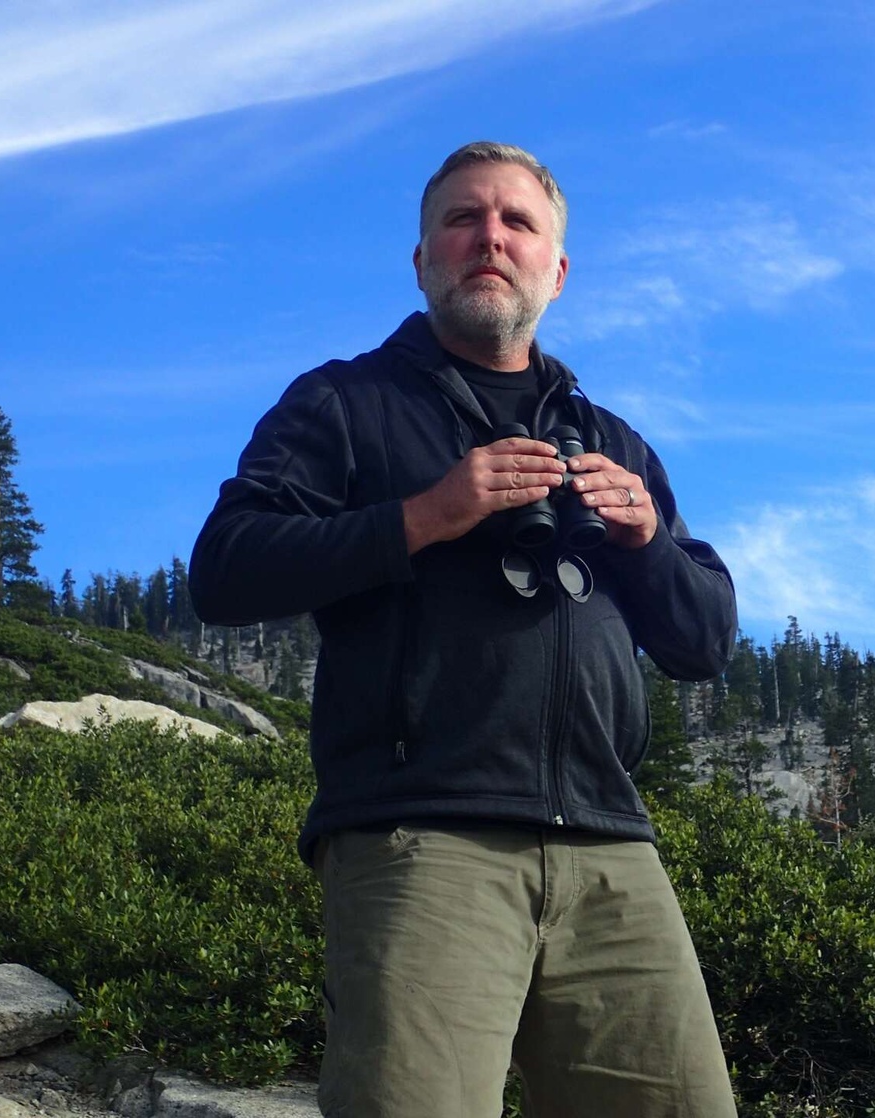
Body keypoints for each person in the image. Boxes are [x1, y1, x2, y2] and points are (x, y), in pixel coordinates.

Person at [189, 141, 739, 1118]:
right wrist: (423, 516)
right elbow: (226, 567)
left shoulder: (611, 441)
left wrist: (648, 541)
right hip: (420, 838)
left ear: (555, 271)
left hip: (611, 850)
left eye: (517, 222)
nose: (490, 237)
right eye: (463, 218)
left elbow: (705, 641)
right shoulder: (345, 404)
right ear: (422, 259)